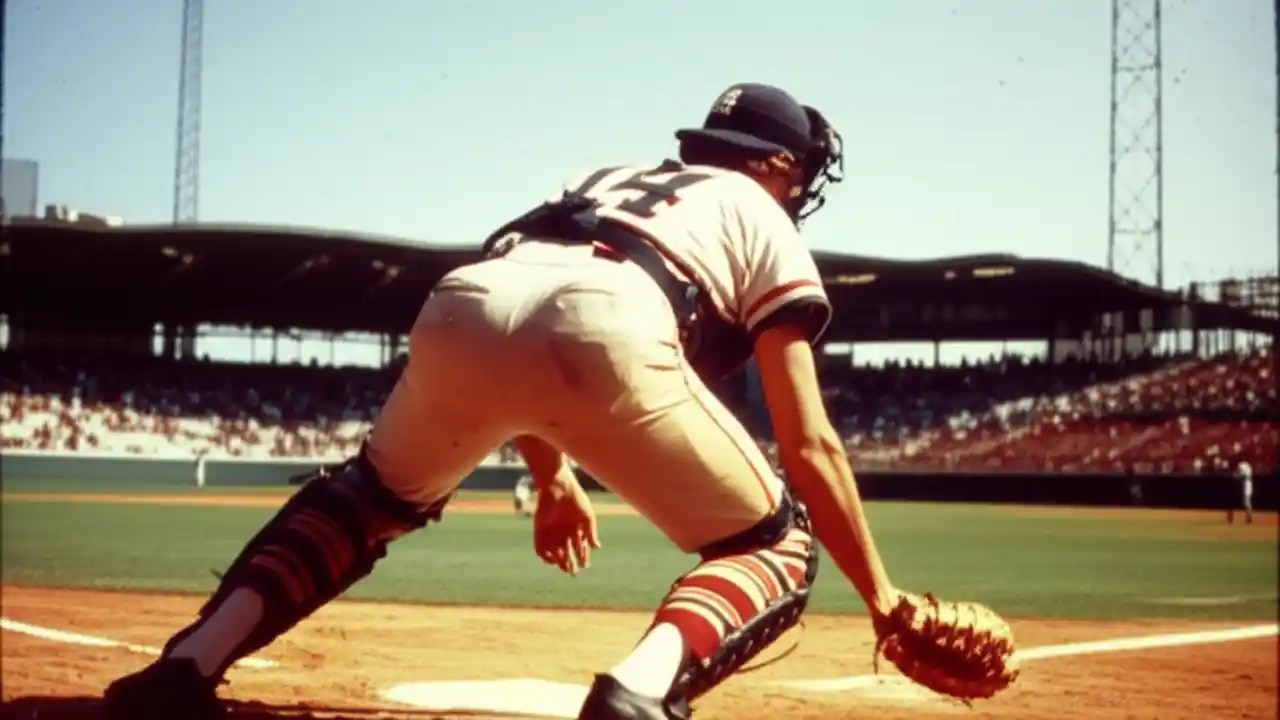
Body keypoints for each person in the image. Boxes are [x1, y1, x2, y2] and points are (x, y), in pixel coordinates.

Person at [102, 82, 903, 720]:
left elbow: (529, 318)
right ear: (774, 164)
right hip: (616, 314)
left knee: (361, 502)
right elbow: (811, 444)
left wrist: (554, 480)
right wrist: (885, 600)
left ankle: (187, 664)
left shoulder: (608, 173)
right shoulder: (761, 209)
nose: (797, 186)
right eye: (796, 170)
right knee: (773, 543)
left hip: (464, 303)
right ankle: (639, 694)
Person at [1229, 460, 1253, 524]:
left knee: (1235, 500)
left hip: (1243, 484)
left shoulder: (1241, 465)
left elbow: (1240, 475)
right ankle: (1249, 516)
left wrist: (1235, 475)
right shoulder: (1248, 465)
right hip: (1247, 483)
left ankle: (1231, 516)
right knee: (1247, 501)